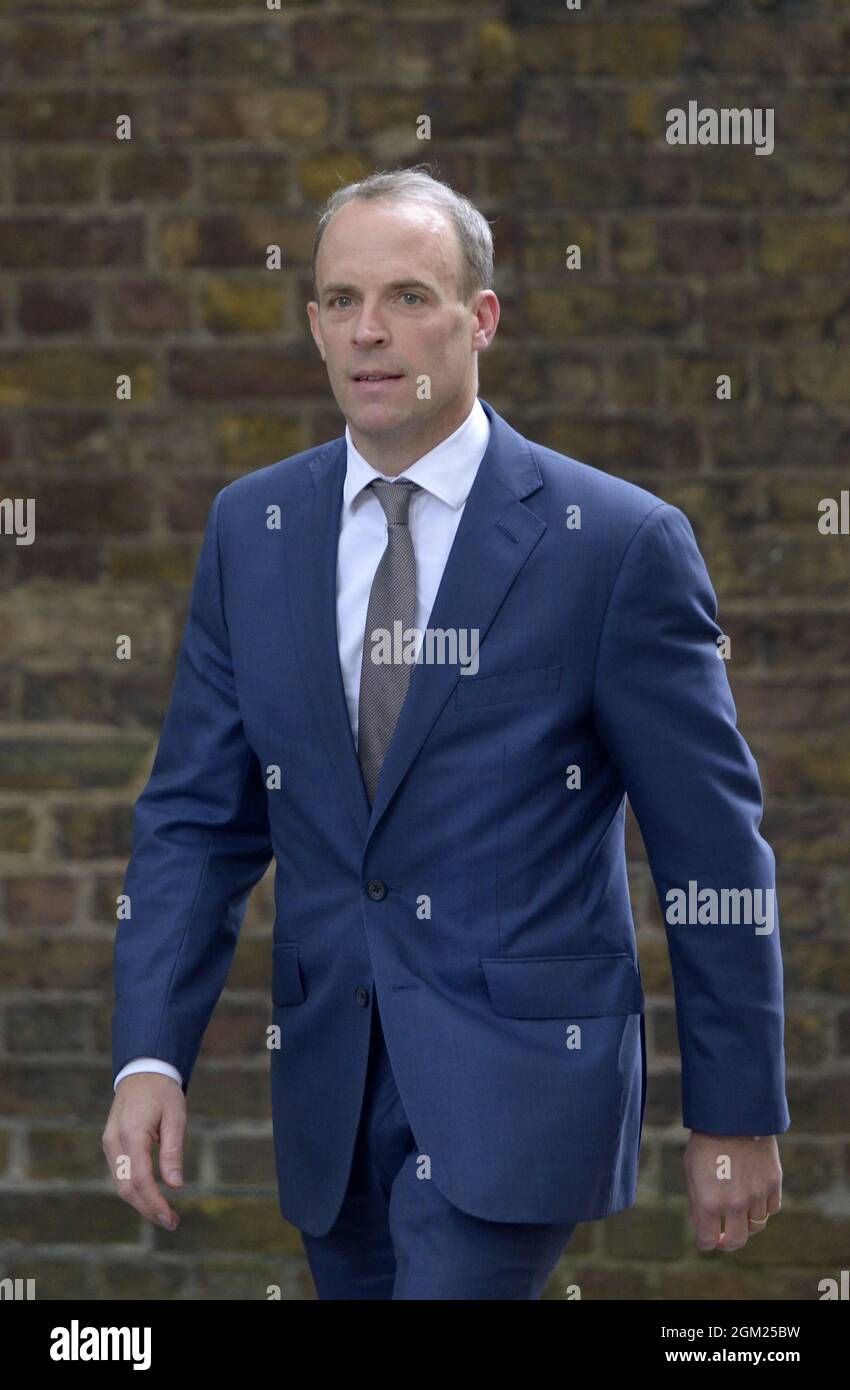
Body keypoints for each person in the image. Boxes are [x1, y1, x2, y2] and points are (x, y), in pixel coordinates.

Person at [104, 166, 789, 1300]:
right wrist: (149, 1053)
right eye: (341, 300)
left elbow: (712, 847)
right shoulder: (252, 530)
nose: (368, 331)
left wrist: (736, 1110)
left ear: (480, 319)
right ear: (314, 323)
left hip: (521, 1082)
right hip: (330, 1089)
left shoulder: (613, 544)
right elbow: (196, 821)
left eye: (408, 297)